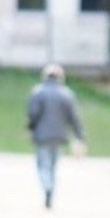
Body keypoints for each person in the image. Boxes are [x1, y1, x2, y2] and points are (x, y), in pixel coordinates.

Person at [26, 62, 87, 209]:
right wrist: (79, 135)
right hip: (60, 136)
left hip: (42, 136)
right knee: (53, 166)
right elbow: (74, 118)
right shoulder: (66, 94)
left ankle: (46, 187)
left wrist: (31, 128)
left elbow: (33, 114)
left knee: (42, 165)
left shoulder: (38, 92)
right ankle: (51, 189)